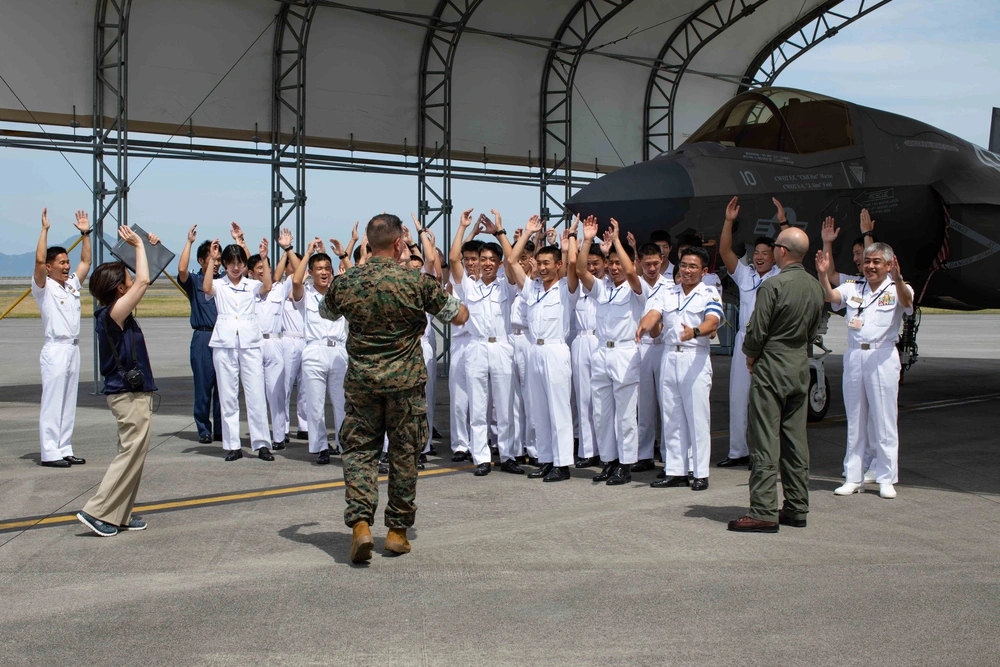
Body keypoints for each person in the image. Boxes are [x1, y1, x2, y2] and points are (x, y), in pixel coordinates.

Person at [320, 213, 468, 564]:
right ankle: (398, 532)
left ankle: (360, 524)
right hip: (405, 385)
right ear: (400, 243)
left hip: (362, 383)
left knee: (359, 453)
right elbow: (458, 317)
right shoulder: (415, 282)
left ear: (369, 244)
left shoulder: (347, 282)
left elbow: (327, 313)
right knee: (404, 455)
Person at [728, 227, 825, 532]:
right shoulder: (814, 286)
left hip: (771, 366)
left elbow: (756, 331)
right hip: (798, 364)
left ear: (782, 251)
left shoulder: (773, 286)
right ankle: (797, 506)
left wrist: (751, 354)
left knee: (764, 439)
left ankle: (764, 509)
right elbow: (813, 332)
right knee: (796, 441)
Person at [76, 226, 159, 536]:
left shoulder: (112, 311)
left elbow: (144, 277)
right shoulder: (114, 314)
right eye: (126, 278)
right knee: (130, 451)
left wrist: (149, 248)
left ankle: (120, 514)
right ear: (119, 289)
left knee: (135, 451)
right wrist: (137, 244)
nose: (132, 279)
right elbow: (145, 280)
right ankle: (96, 510)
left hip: (131, 391)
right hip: (127, 393)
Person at [817, 242, 913, 500]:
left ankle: (886, 477)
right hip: (855, 353)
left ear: (889, 264)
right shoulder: (853, 287)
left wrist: (899, 278)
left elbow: (907, 303)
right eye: (867, 261)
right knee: (856, 418)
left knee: (883, 419)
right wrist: (823, 275)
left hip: (882, 354)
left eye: (876, 262)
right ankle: (853, 477)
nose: (870, 266)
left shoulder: (897, 289)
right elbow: (831, 297)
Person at [638, 247, 724, 491]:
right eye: (684, 266)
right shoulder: (667, 292)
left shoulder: (709, 293)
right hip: (668, 355)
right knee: (672, 416)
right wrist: (645, 326)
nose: (687, 270)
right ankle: (675, 470)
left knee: (697, 417)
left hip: (694, 357)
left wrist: (694, 332)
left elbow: (713, 320)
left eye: (693, 267)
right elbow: (653, 314)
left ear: (704, 271)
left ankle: (699, 472)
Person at [506, 215, 578, 482]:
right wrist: (526, 234)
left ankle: (562, 464)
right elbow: (513, 261)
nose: (543, 268)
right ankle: (547, 459)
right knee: (539, 409)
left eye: (548, 263)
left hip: (556, 350)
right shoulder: (532, 289)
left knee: (559, 408)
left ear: (558, 265)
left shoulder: (566, 289)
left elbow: (572, 263)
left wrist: (570, 238)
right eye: (540, 263)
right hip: (534, 350)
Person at [452, 210, 521, 476]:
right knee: (478, 406)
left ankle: (508, 454)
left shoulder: (506, 285)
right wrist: (462, 227)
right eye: (483, 259)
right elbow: (454, 258)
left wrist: (499, 233)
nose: (487, 263)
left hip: (502, 346)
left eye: (493, 260)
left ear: (499, 263)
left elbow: (514, 262)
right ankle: (481, 457)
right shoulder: (469, 287)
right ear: (477, 263)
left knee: (504, 406)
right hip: (477, 346)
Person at [577, 217, 645, 485]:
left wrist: (616, 241)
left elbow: (631, 273)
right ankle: (609, 460)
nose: (615, 268)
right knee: (602, 413)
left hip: (625, 352)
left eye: (619, 263)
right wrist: (586, 240)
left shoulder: (637, 289)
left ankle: (626, 463)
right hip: (601, 353)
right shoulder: (602, 289)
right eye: (611, 263)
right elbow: (581, 271)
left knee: (625, 414)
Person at [717, 197, 781, 468]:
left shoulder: (781, 275)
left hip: (767, 343)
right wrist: (729, 221)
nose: (760, 257)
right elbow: (725, 251)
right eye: (757, 252)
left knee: (764, 403)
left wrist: (784, 224)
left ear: (776, 255)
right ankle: (737, 451)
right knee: (739, 397)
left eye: (766, 253)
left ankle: (763, 455)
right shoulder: (746, 275)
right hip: (744, 340)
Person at [204, 237, 275, 461]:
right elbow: (206, 287)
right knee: (227, 395)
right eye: (231, 263)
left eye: (240, 263)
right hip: (225, 342)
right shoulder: (218, 283)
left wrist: (263, 259)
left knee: (255, 394)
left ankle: (262, 443)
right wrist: (211, 261)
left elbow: (267, 286)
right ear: (224, 263)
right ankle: (233, 445)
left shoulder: (251, 284)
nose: (236, 268)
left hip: (250, 342)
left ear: (245, 264)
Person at [31, 207, 91, 468]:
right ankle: (49, 451)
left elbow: (86, 263)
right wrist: (45, 230)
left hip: (73, 348)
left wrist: (85, 233)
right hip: (55, 348)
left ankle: (64, 447)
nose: (67, 266)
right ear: (49, 267)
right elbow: (37, 261)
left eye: (67, 262)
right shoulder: (44, 287)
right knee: (53, 401)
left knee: (68, 401)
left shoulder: (70, 285)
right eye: (62, 263)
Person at [293, 238, 348, 465]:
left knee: (342, 403)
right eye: (319, 269)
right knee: (315, 404)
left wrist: (343, 255)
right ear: (311, 272)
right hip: (314, 350)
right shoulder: (305, 294)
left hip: (338, 351)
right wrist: (307, 253)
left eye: (327, 268)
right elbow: (296, 280)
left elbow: (355, 279)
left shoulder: (341, 291)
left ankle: (345, 445)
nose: (323, 272)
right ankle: (320, 447)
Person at [250, 228, 295, 450]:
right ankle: (260, 438)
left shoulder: (279, 288)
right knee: (255, 393)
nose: (262, 272)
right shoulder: (249, 290)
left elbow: (296, 273)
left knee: (276, 393)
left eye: (264, 268)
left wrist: (287, 249)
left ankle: (279, 436)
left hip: (276, 343)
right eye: (258, 269)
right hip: (255, 344)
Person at [177, 226, 223, 444]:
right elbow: (182, 270)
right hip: (203, 337)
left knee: (224, 387)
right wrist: (189, 242)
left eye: (219, 259)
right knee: (203, 386)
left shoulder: (224, 282)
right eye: (212, 258)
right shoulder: (195, 281)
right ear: (202, 261)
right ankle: (204, 428)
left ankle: (222, 429)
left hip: (223, 337)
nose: (217, 262)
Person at [447, 224, 483, 463]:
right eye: (467, 259)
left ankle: (484, 443)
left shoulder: (495, 282)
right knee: (459, 399)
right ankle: (461, 444)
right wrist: (463, 228)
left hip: (481, 343)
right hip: (461, 341)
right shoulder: (459, 281)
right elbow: (453, 257)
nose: (471, 263)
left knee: (483, 400)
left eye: (474, 259)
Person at [570, 219, 603, 469]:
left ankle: (607, 449)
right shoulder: (577, 288)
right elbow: (574, 266)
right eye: (588, 263)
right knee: (583, 398)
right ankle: (588, 449)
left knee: (603, 399)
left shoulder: (609, 287)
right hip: (581, 341)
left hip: (603, 341)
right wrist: (575, 240)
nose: (592, 267)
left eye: (596, 263)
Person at [634, 242, 668, 472]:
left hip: (664, 346)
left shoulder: (671, 286)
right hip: (642, 347)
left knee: (667, 405)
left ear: (663, 259)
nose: (652, 268)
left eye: (656, 263)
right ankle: (644, 454)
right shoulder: (634, 286)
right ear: (639, 263)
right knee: (644, 405)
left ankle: (668, 454)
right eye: (647, 264)